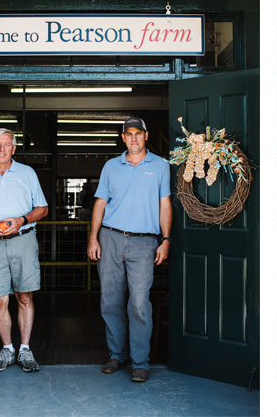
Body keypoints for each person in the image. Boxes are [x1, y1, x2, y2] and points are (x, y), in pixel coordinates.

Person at [88, 117, 172, 383]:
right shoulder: (111, 167)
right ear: (122, 137)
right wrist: (93, 238)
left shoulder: (160, 166)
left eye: (138, 133)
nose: (134, 138)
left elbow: (165, 205)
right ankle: (117, 354)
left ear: (146, 135)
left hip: (144, 242)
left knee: (138, 303)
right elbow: (100, 204)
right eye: (129, 134)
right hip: (110, 237)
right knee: (110, 300)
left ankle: (140, 361)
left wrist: (166, 239)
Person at [0, 128, 49, 372]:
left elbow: (42, 208)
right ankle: (7, 349)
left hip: (23, 240)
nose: (2, 149)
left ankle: (25, 349)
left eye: (7, 145)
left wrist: (23, 220)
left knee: (24, 296)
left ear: (14, 149)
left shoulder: (27, 173)